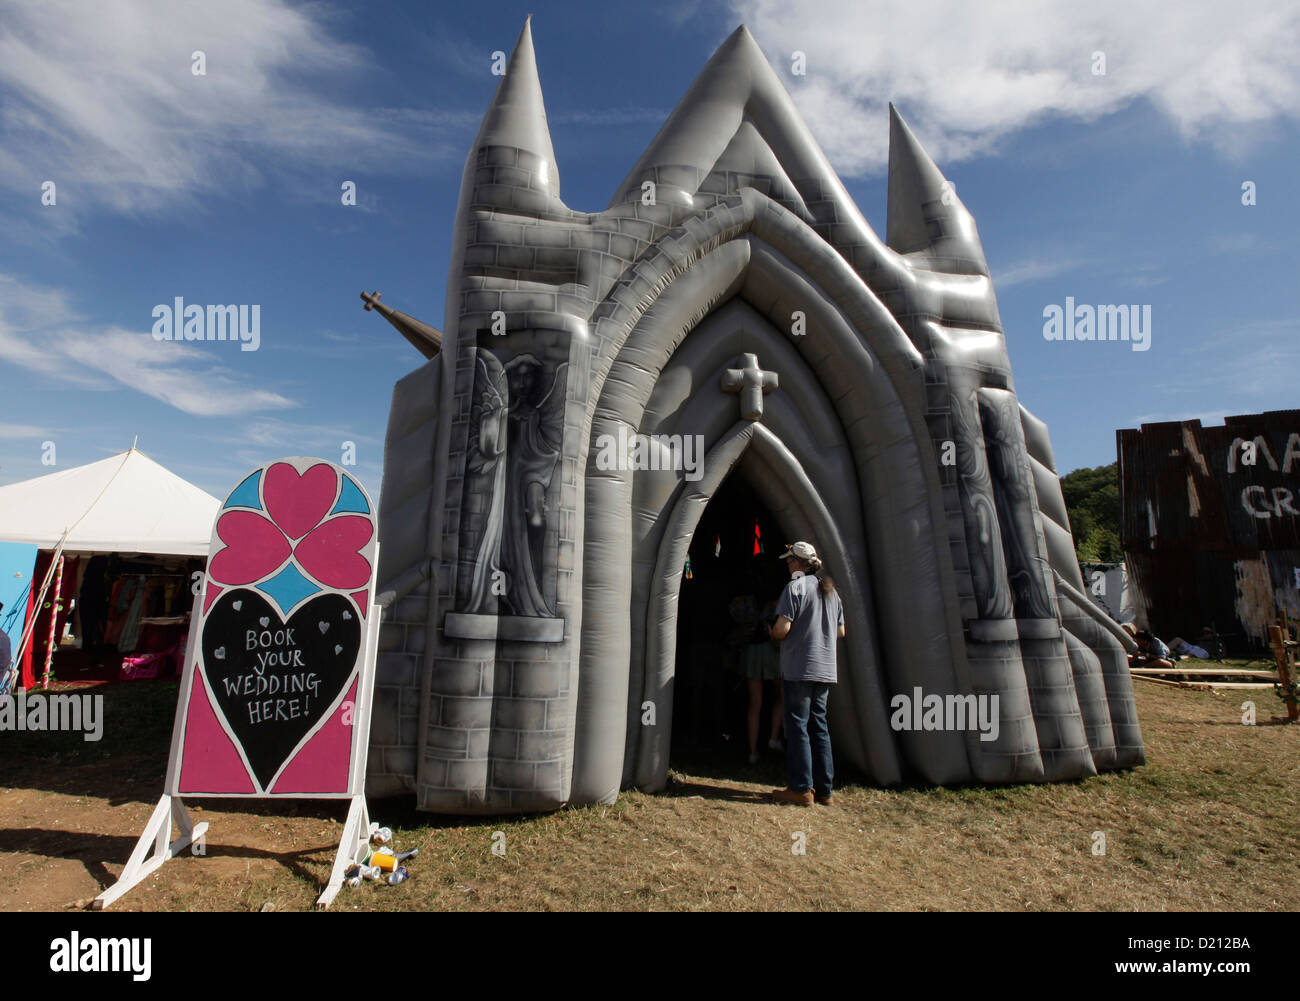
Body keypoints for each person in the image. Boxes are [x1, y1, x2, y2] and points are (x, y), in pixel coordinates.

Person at [768, 542, 843, 807]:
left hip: (800, 667)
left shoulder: (795, 588)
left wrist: (771, 631)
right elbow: (840, 632)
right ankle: (825, 790)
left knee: (798, 726)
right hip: (825, 669)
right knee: (819, 726)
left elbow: (782, 629)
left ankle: (800, 788)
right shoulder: (831, 592)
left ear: (800, 563)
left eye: (790, 561)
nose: (788, 565)